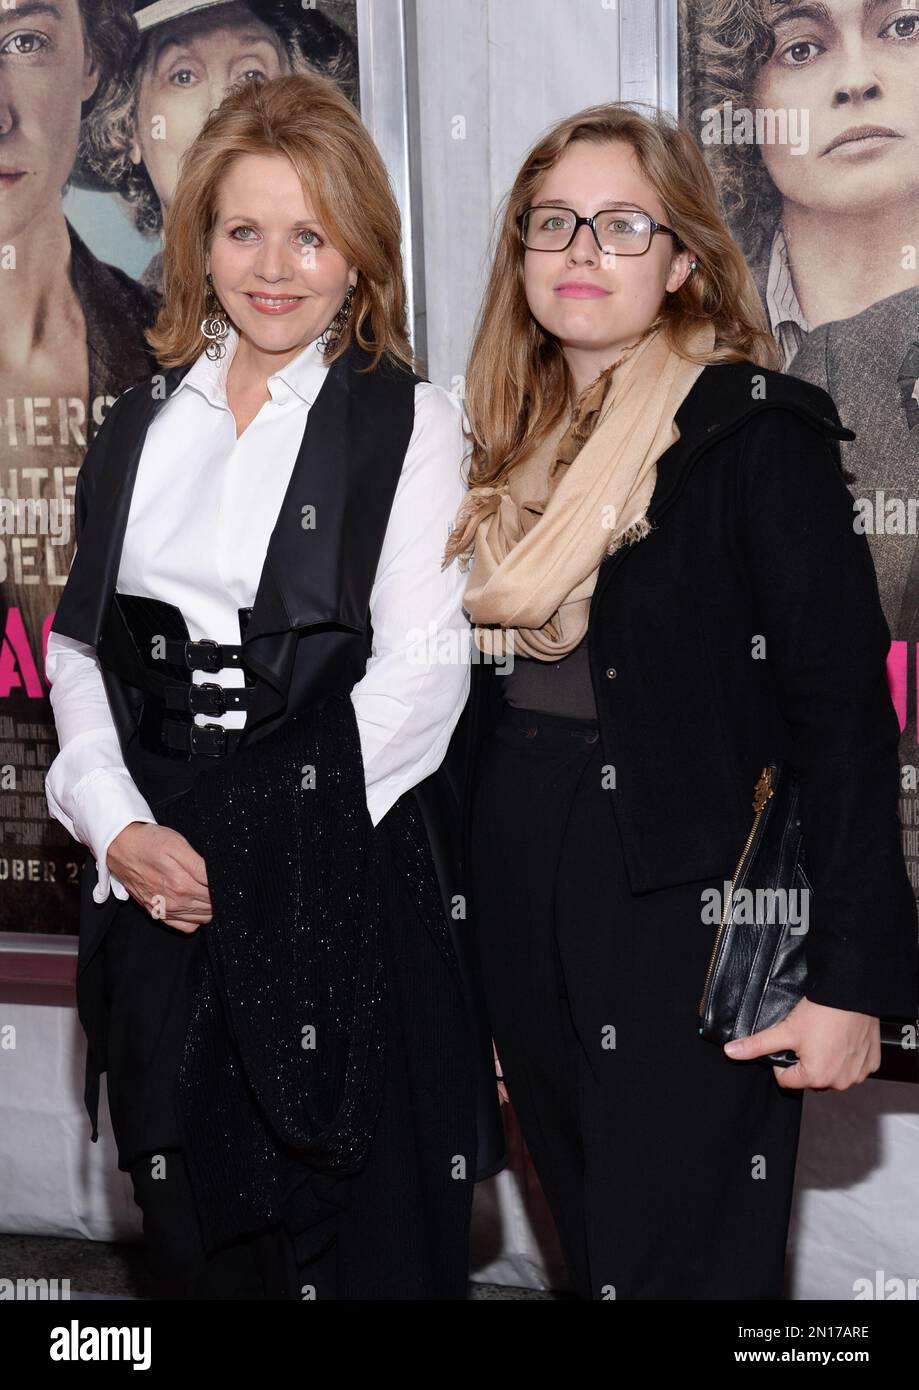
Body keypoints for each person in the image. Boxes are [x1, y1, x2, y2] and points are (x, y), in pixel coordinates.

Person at [442, 100, 919, 1300]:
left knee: (686, 1267)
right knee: (597, 1250)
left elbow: (845, 721)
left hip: (685, 909)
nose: (583, 251)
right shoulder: (496, 450)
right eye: (553, 224)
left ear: (683, 261)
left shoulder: (755, 435)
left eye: (620, 223)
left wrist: (850, 979)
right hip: (520, 887)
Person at [44, 70, 502, 1300]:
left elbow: (418, 683)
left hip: (342, 884)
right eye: (244, 229)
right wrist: (116, 821)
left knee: (361, 1247)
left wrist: (233, 843)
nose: (276, 266)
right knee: (198, 1243)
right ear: (200, 242)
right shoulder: (139, 420)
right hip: (157, 895)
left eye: (312, 232)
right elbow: (81, 648)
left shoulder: (410, 421)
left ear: (361, 253)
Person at [72, 0, 359, 294]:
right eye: (183, 76)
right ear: (128, 125)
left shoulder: (352, 313)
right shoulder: (105, 333)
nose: (220, 111)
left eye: (252, 75)